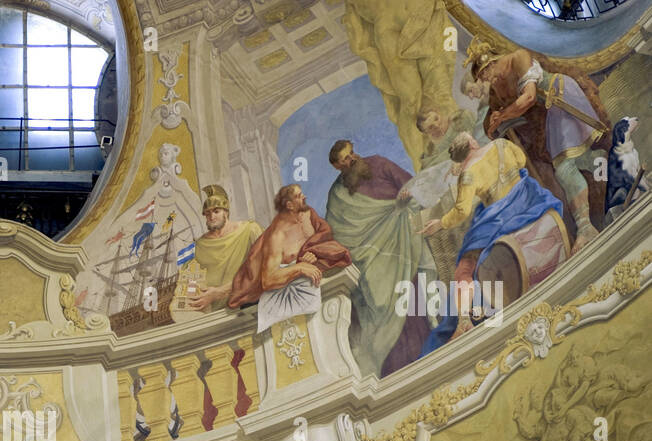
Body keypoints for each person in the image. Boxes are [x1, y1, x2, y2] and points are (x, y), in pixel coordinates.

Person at [419, 132, 562, 352]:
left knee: (464, 268)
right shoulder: (501, 144)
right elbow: (522, 160)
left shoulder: (468, 173)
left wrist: (440, 223)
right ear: (472, 143)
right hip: (528, 197)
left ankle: (464, 321)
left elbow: (461, 210)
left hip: (500, 216)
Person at [465, 38, 608, 249]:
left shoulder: (518, 58)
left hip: (561, 98)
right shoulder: (498, 84)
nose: (485, 80)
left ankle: (585, 228)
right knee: (570, 164)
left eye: (484, 74)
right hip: (552, 113)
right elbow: (496, 113)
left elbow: (529, 97)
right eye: (481, 77)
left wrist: (502, 116)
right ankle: (588, 217)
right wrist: (493, 122)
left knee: (564, 168)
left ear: (490, 63)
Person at [325, 140, 435, 378]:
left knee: (408, 293)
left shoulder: (379, 163)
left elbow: (412, 187)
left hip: (402, 241)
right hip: (367, 257)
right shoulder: (338, 195)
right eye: (345, 159)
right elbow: (339, 232)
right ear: (337, 166)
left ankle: (427, 347)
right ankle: (393, 367)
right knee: (378, 298)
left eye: (352, 152)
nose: (352, 159)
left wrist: (406, 202)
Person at [227, 184, 351, 332]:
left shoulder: (307, 213)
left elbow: (323, 235)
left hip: (303, 272)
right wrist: (299, 267)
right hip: (264, 285)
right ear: (289, 205)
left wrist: (313, 253)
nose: (304, 197)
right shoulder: (277, 236)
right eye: (299, 196)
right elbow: (268, 280)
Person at [183, 184, 262, 312]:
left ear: (226, 211)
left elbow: (263, 270)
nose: (212, 217)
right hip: (211, 313)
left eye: (216, 211)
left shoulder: (249, 230)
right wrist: (193, 296)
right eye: (208, 213)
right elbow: (189, 280)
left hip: (246, 306)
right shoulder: (198, 246)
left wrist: (219, 292)